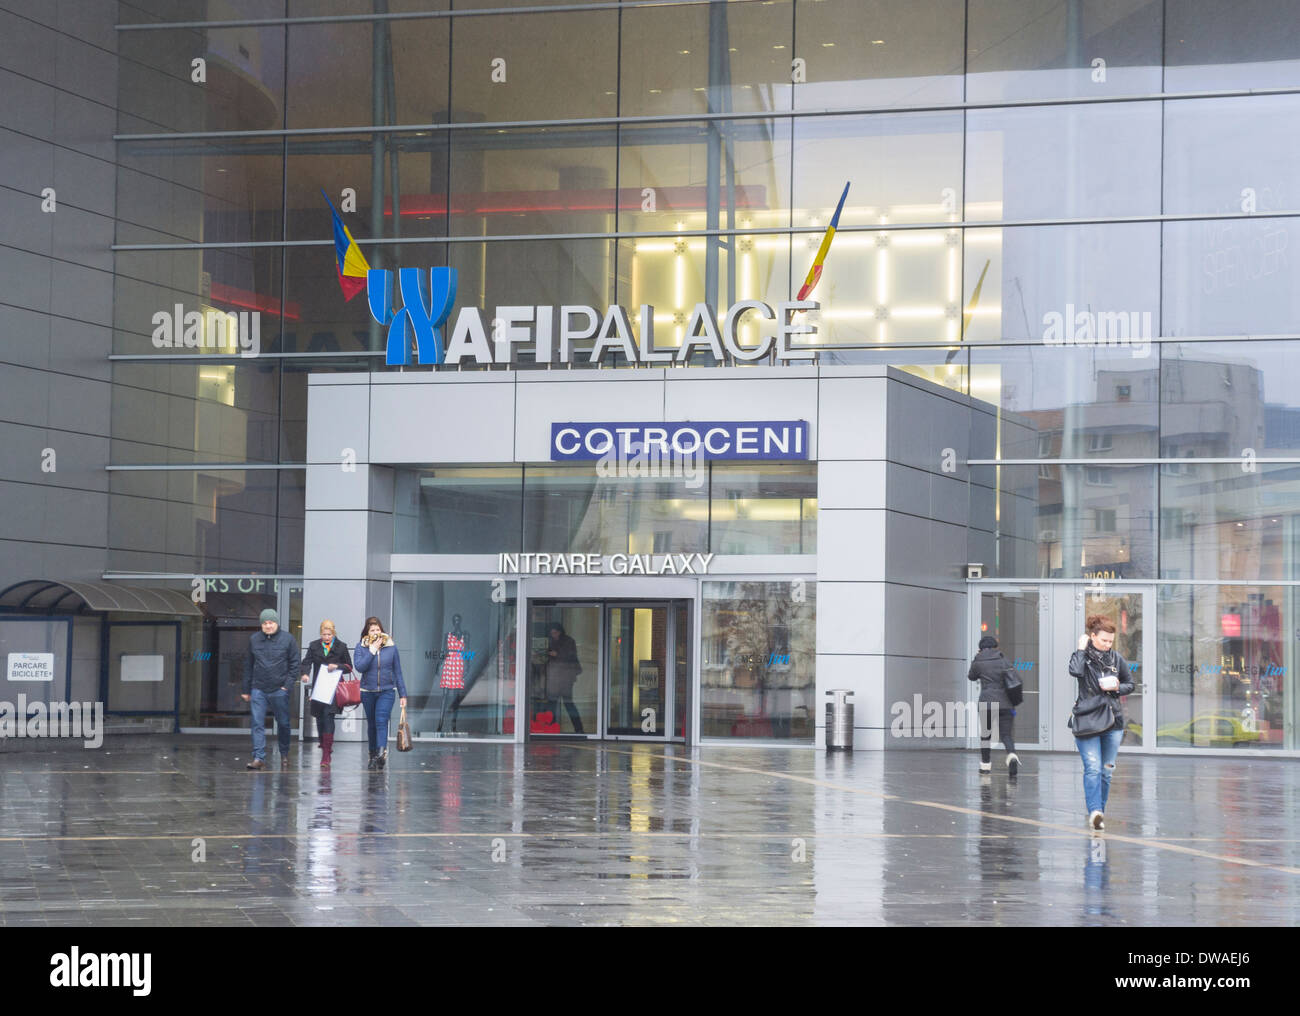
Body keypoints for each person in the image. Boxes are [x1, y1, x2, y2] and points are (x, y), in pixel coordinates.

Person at [1069, 614, 1135, 831]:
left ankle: (1100, 814)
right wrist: (1080, 649)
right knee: (1093, 769)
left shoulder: (1116, 658)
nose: (1108, 645)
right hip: (1088, 720)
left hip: (1113, 721)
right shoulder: (1083, 657)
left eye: (1110, 641)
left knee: (1106, 771)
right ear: (1092, 636)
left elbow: (1130, 684)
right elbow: (1075, 672)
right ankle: (1095, 811)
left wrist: (1116, 687)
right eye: (1104, 640)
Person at [241, 608, 300, 770]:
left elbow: (295, 665)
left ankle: (284, 753)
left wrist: (286, 687)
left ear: (276, 623)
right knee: (257, 724)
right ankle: (258, 757)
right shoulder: (254, 639)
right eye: (265, 623)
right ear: (261, 624)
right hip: (258, 688)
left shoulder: (288, 639)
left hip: (279, 689)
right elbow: (248, 665)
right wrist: (246, 689)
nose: (268, 626)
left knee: (283, 723)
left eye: (271, 622)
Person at [352, 616, 407, 769]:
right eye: (372, 630)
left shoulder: (391, 647)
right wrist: (372, 651)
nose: (375, 632)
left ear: (382, 631)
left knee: (381, 720)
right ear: (367, 633)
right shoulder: (361, 647)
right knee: (372, 724)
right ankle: (372, 754)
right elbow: (360, 667)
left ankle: (381, 753)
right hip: (367, 691)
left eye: (377, 629)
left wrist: (403, 694)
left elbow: (398, 672)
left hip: (387, 691)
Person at [300, 619, 352, 770]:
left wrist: (337, 666)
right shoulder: (314, 645)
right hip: (319, 687)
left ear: (333, 633)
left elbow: (349, 666)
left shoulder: (341, 647)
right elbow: (306, 662)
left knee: (328, 717)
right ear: (320, 633)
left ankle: (326, 754)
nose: (326, 637)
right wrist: (305, 674)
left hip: (334, 689)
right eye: (324, 634)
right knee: (319, 716)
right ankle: (324, 742)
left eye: (329, 634)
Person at [966, 635, 1019, 776]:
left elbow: (971, 676)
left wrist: (976, 658)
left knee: (986, 735)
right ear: (995, 646)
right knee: (1006, 734)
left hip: (987, 703)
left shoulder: (979, 660)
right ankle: (1012, 755)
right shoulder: (1003, 659)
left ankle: (985, 765)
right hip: (1005, 703)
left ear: (981, 648)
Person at [546, 623, 584, 734]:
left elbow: (570, 656)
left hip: (565, 677)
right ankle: (550, 728)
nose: (554, 635)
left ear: (560, 632)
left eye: (555, 633)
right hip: (554, 677)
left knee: (567, 703)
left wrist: (556, 654)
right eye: (552, 633)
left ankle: (579, 728)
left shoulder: (568, 641)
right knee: (553, 703)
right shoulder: (551, 641)